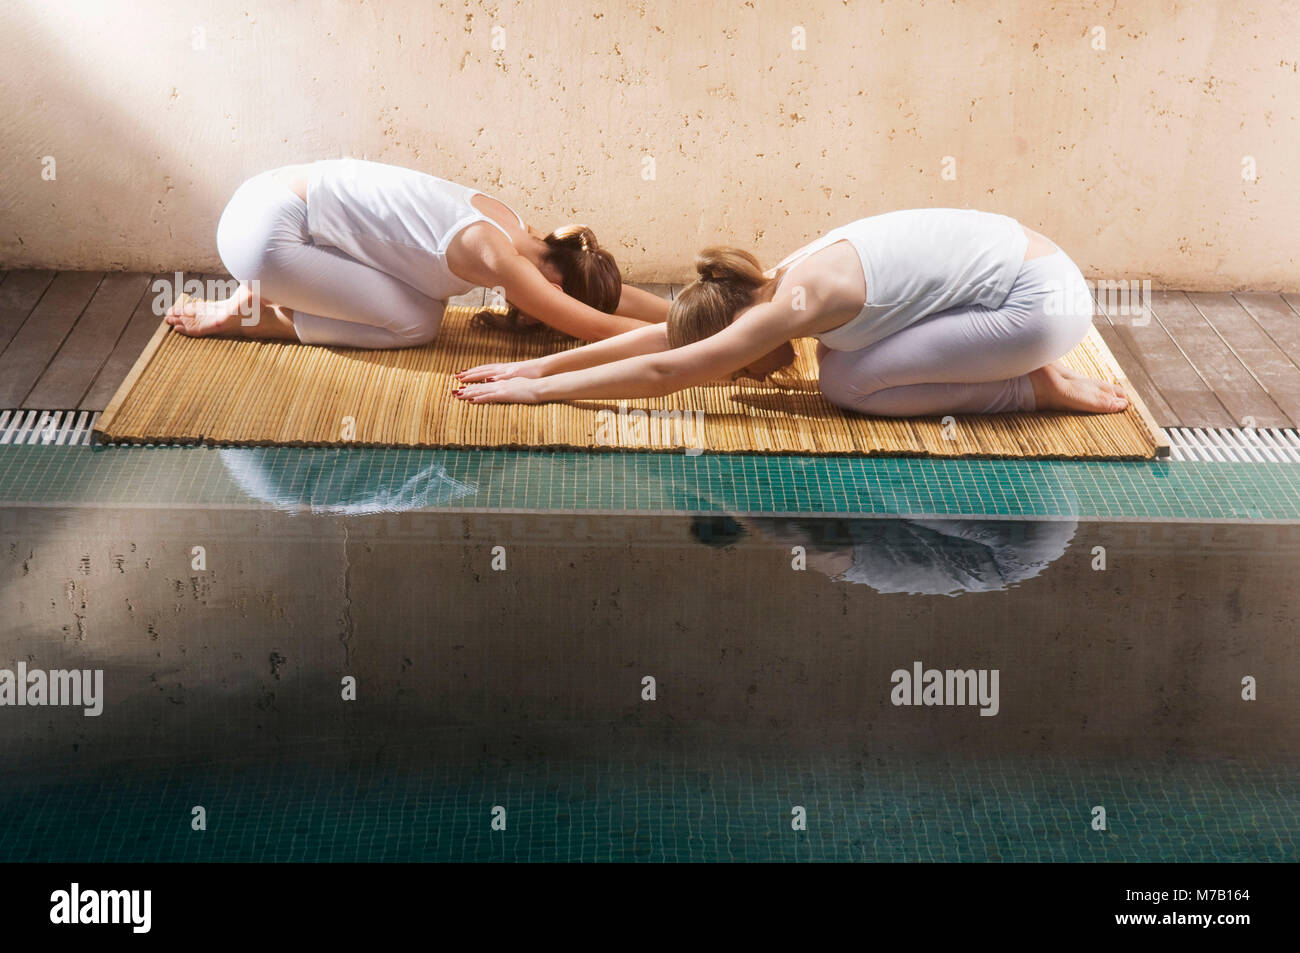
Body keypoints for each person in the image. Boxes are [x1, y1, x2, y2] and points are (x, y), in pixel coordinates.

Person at [452, 208, 1128, 416]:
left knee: (845, 381)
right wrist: (537, 364)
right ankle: (1023, 368)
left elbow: (665, 372)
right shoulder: (772, 283)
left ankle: (1031, 384)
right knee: (841, 355)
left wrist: (539, 391)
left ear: (743, 335)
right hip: (1031, 270)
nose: (750, 377)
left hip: (1040, 306)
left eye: (738, 367)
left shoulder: (792, 306)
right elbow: (664, 337)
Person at [164, 157, 668, 347]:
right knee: (418, 325)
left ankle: (268, 296)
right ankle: (262, 314)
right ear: (554, 288)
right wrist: (703, 349)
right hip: (266, 239)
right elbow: (597, 325)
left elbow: (609, 300)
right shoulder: (497, 256)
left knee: (425, 306)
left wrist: (717, 319)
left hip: (266, 196)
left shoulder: (512, 224)